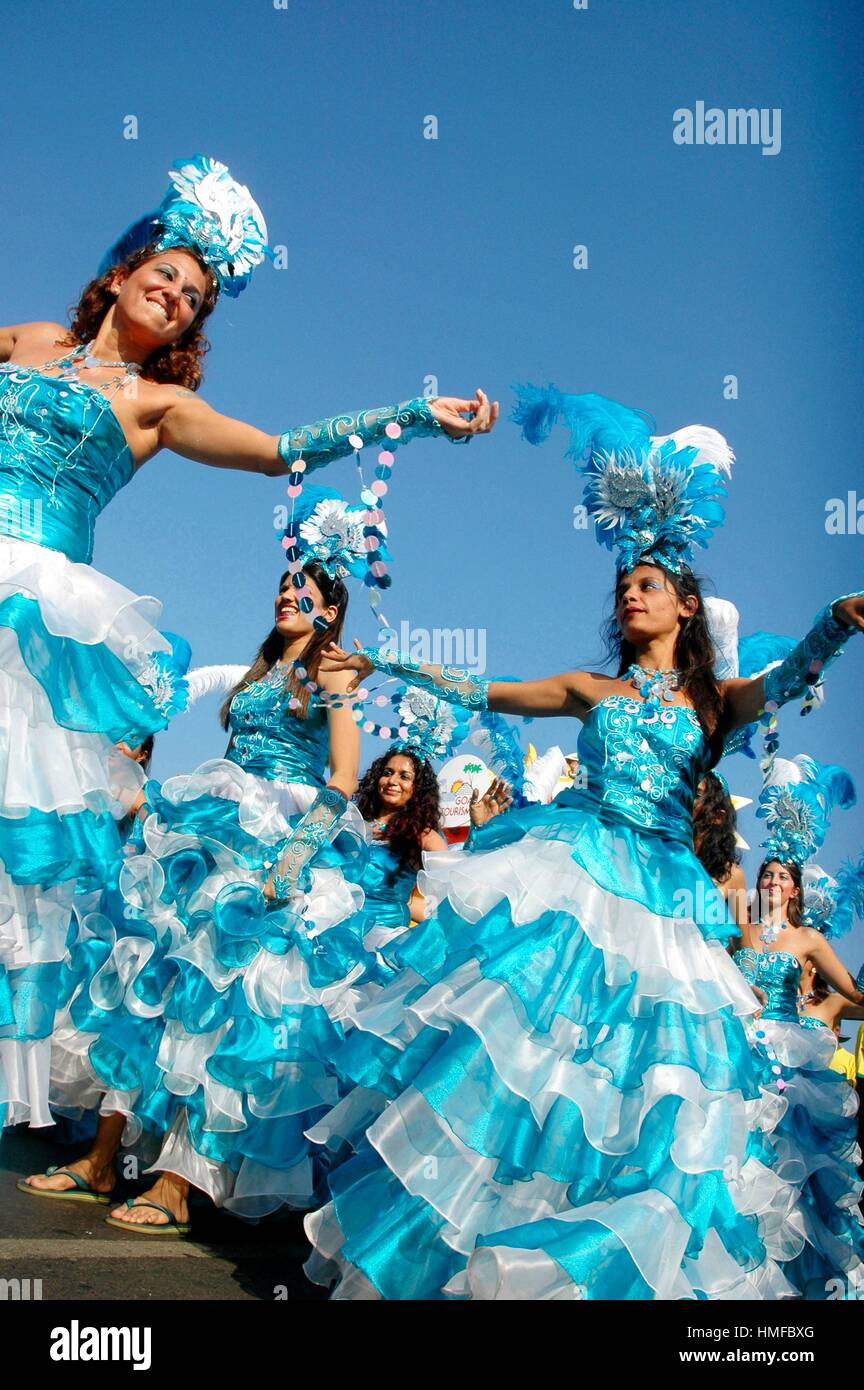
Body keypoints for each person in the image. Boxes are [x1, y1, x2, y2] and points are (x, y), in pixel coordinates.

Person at [300, 386, 864, 1299]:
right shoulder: (588, 692)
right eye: (622, 588)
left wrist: (836, 622)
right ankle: (465, 1251)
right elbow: (484, 690)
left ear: (684, 603)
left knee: (647, 1076)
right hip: (577, 867)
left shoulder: (712, 705)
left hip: (667, 896)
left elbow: (790, 677)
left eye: (646, 586)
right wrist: (386, 663)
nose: (629, 595)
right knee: (530, 1050)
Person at [0, 154, 496, 1135]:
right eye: (171, 276)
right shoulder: (29, 338)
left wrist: (414, 418)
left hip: (43, 614)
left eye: (195, 301)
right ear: (124, 270)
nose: (178, 299)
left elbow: (281, 451)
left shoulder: (157, 407)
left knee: (19, 846)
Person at [730, 755, 864, 1295]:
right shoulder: (739, 927)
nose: (773, 880)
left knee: (788, 1162)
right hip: (739, 1048)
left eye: (783, 876)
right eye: (767, 873)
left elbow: (852, 994)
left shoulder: (808, 941)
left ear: (796, 890)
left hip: (788, 1060)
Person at [693, 771, 748, 927]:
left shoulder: (731, 875)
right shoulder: (660, 856)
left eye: (696, 795)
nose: (684, 799)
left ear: (718, 816)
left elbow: (743, 945)